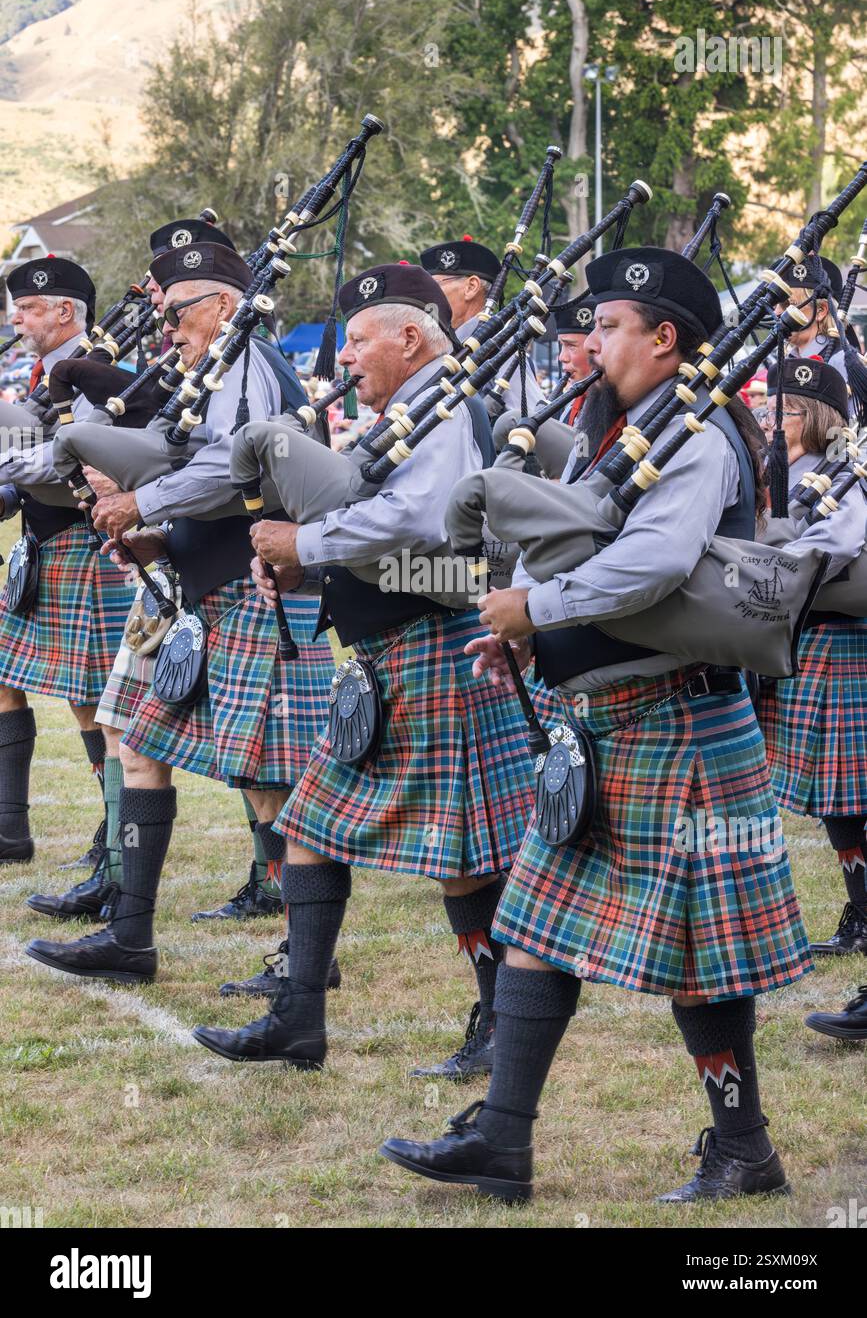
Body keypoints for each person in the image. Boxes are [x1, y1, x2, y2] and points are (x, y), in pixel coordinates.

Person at [380, 246, 812, 1205]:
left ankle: (743, 1147)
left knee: (696, 964)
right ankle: (502, 1140)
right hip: (603, 722)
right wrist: (530, 631)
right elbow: (574, 539)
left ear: (666, 339)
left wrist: (538, 610)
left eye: (610, 325)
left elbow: (652, 566)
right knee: (532, 926)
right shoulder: (614, 432)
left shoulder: (699, 439)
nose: (590, 340)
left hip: (678, 722)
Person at [191, 263, 535, 1078]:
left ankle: (494, 1022)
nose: (343, 358)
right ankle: (298, 1016)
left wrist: (305, 548)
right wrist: (310, 568)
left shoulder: (445, 409)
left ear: (408, 338)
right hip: (394, 654)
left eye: (356, 341)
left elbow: (422, 526)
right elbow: (389, 533)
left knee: (464, 863)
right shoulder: (412, 411)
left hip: (435, 649)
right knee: (308, 831)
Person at [23, 242, 335, 988]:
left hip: (254, 585)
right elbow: (186, 459)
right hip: (195, 578)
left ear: (223, 305)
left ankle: (303, 955)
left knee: (269, 778)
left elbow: (230, 466)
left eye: (176, 311)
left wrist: (143, 503)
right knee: (136, 741)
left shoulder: (252, 368)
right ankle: (129, 933)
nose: (167, 328)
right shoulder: (212, 370)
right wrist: (158, 537)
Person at [0, 256, 131, 871]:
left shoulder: (95, 372)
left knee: (93, 700)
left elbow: (63, 461)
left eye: (26, 308)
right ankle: (10, 827)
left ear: (63, 311)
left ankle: (116, 837)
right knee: (6, 676)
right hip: (43, 542)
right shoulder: (43, 374)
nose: (15, 318)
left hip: (87, 544)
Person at [755, 360, 867, 961]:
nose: (774, 418)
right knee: (836, 803)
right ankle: (863, 906)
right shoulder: (779, 467)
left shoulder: (842, 472)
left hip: (838, 639)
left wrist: (775, 559)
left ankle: (866, 910)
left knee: (849, 798)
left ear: (820, 417)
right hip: (799, 638)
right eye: (770, 407)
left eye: (789, 409)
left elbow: (841, 541)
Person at [419, 237, 543, 416]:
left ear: (471, 287)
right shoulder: (443, 347)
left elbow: (529, 419)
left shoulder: (501, 349)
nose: (428, 297)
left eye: (435, 286)